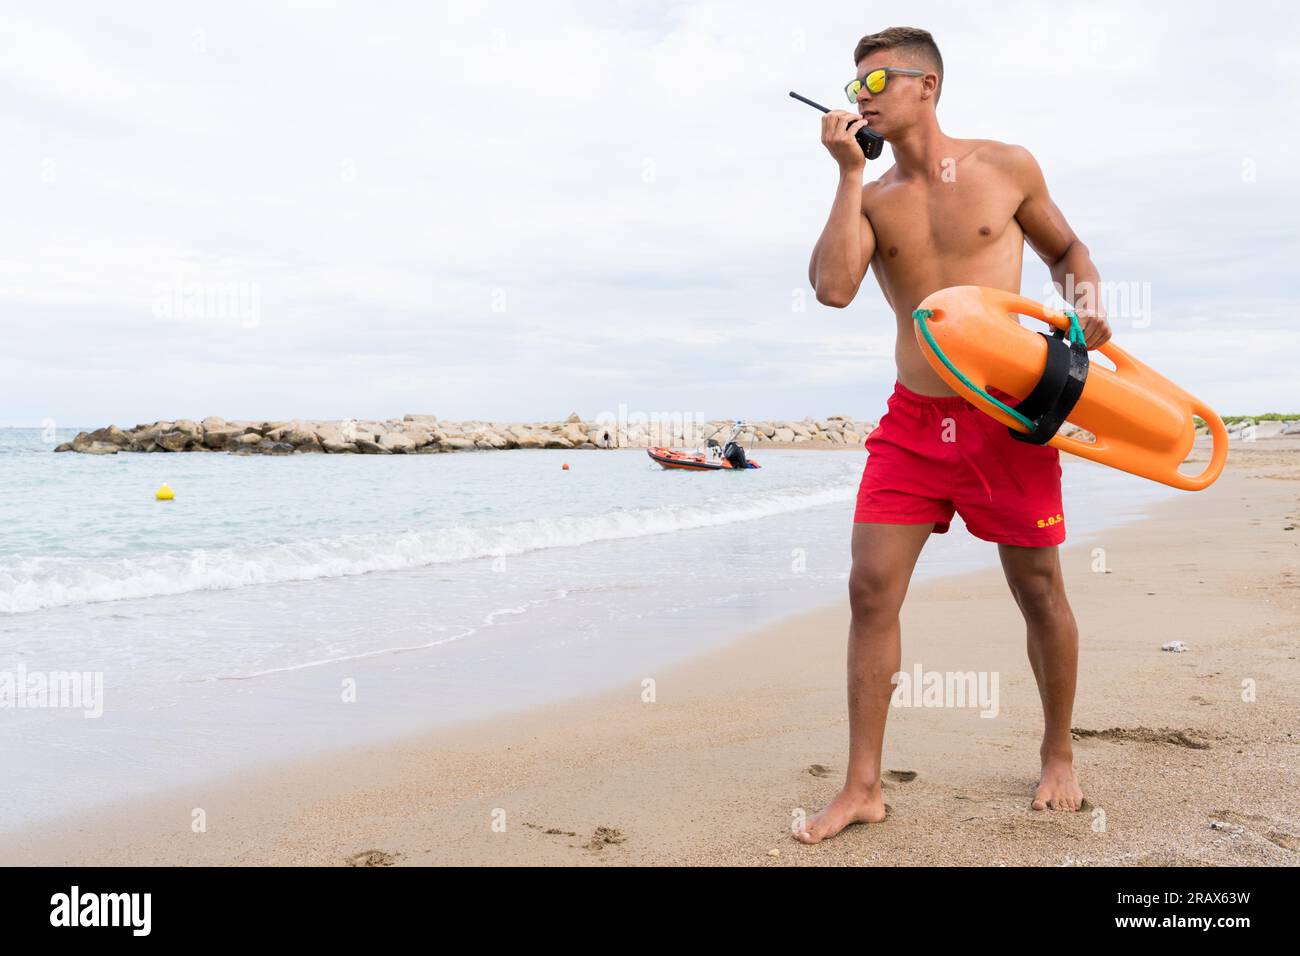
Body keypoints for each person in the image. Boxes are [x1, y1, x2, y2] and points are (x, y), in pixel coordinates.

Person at [797, 26, 1111, 844]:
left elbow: (1066, 248)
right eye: (852, 86)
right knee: (870, 589)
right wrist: (848, 174)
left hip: (1009, 417)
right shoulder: (870, 196)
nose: (857, 97)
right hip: (913, 419)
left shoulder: (1005, 166)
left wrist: (1083, 299)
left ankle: (1058, 753)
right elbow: (832, 288)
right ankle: (863, 787)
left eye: (874, 84)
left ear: (925, 86)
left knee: (1038, 590)